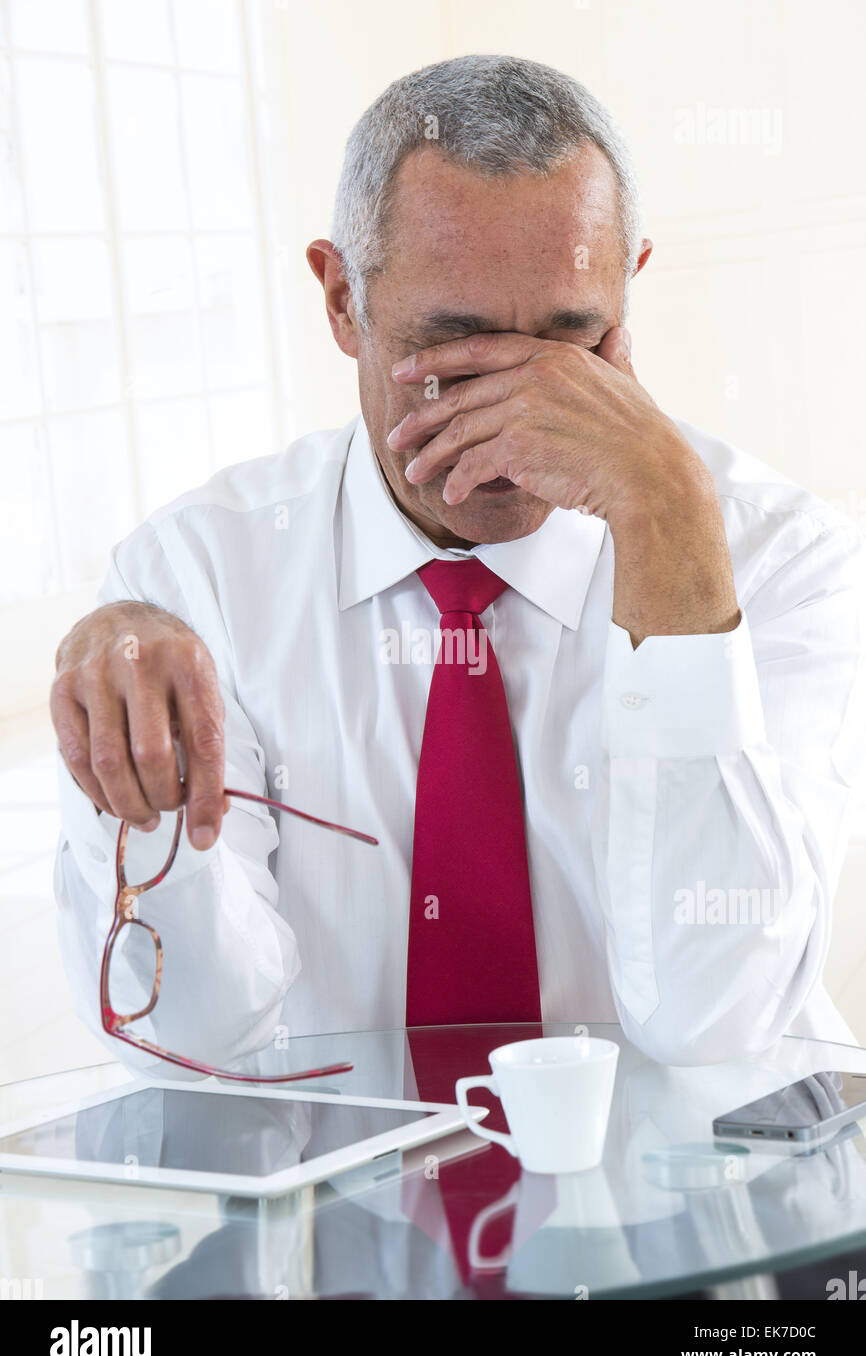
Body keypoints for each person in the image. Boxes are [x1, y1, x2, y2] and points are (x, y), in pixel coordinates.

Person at [51, 55, 865, 1074]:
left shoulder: (776, 558)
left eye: (570, 349)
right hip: (354, 1210)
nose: (516, 411)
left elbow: (713, 1024)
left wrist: (670, 533)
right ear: (343, 300)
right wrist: (140, 774)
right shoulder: (201, 578)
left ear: (628, 291)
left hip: (724, 1208)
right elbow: (198, 1038)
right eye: (454, 350)